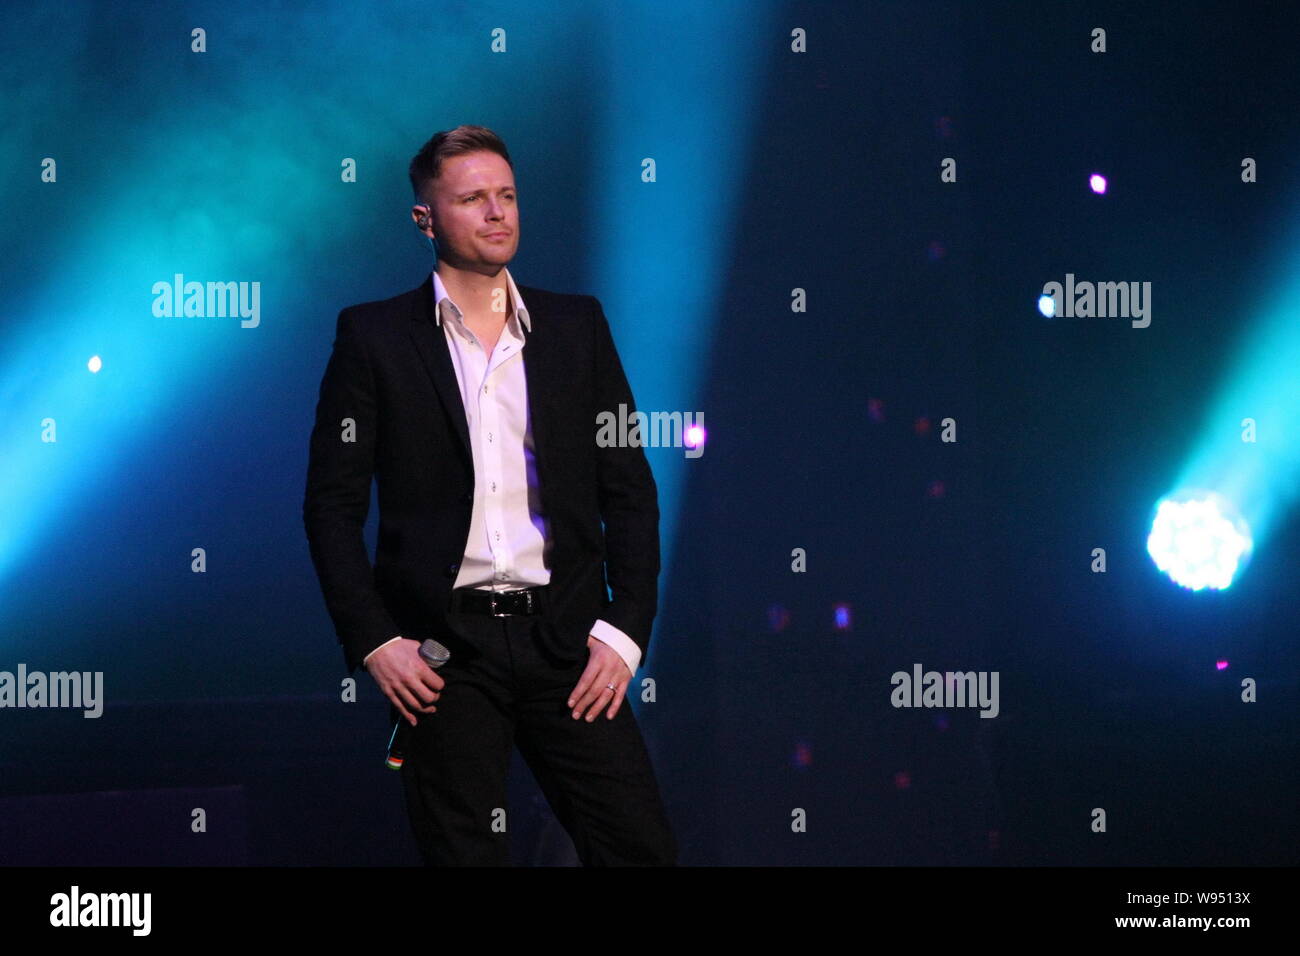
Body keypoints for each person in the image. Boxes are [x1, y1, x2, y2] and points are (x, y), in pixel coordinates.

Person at [302, 125, 676, 866]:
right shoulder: (374, 337)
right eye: (473, 198)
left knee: (640, 848)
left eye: (506, 195)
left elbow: (628, 488)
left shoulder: (576, 326)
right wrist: (376, 641)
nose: (498, 212)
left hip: (567, 639)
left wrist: (625, 628)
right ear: (426, 218)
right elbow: (330, 507)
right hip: (446, 651)